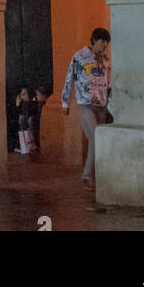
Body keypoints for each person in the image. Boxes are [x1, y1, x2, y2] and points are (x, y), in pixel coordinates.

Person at [61, 27, 111, 186]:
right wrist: (65, 102)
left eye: (106, 42)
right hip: (85, 104)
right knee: (96, 137)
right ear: (94, 40)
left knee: (96, 141)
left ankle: (96, 178)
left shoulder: (105, 60)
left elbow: (108, 83)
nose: (105, 45)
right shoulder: (79, 57)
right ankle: (87, 174)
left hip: (102, 104)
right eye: (102, 41)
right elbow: (70, 78)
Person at [14, 86, 36, 154]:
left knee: (30, 120)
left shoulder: (33, 102)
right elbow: (15, 116)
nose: (27, 95)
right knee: (21, 119)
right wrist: (17, 105)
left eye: (27, 93)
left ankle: (31, 146)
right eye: (24, 94)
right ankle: (24, 146)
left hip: (29, 124)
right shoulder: (20, 104)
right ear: (20, 96)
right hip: (23, 125)